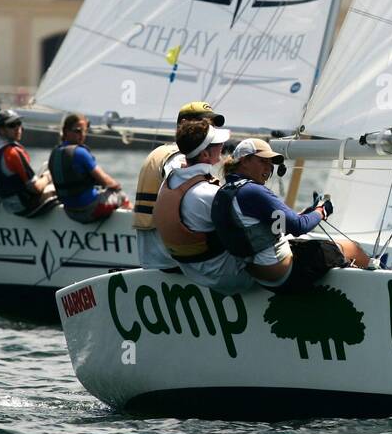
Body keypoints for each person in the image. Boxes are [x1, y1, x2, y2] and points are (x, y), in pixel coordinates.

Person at [212, 137, 369, 293]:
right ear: (245, 161)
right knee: (352, 248)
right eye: (263, 162)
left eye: (270, 164)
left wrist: (307, 213)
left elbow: (267, 229)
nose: (268, 169)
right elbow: (299, 226)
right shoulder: (252, 191)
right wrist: (322, 211)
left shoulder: (225, 191)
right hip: (285, 273)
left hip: (260, 275)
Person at [153, 120, 247, 292]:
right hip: (226, 277)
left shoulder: (169, 181)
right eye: (218, 144)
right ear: (204, 155)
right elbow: (251, 226)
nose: (222, 145)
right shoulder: (207, 193)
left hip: (191, 272)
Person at [133, 101, 225, 270]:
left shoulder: (160, 152)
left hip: (151, 252)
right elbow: (181, 197)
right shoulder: (178, 158)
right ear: (184, 125)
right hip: (169, 257)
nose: (211, 131)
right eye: (205, 124)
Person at [48, 113, 131, 225]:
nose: (82, 135)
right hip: (91, 211)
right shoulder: (80, 153)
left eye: (84, 131)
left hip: (69, 212)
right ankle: (135, 226)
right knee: (120, 194)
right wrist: (117, 185)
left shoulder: (55, 153)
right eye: (78, 131)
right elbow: (106, 181)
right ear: (66, 131)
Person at [0, 109, 57, 217]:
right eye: (12, 125)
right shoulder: (13, 152)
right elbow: (36, 188)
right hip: (23, 206)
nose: (18, 128)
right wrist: (48, 176)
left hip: (5, 204)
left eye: (19, 123)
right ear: (1, 130)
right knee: (58, 188)